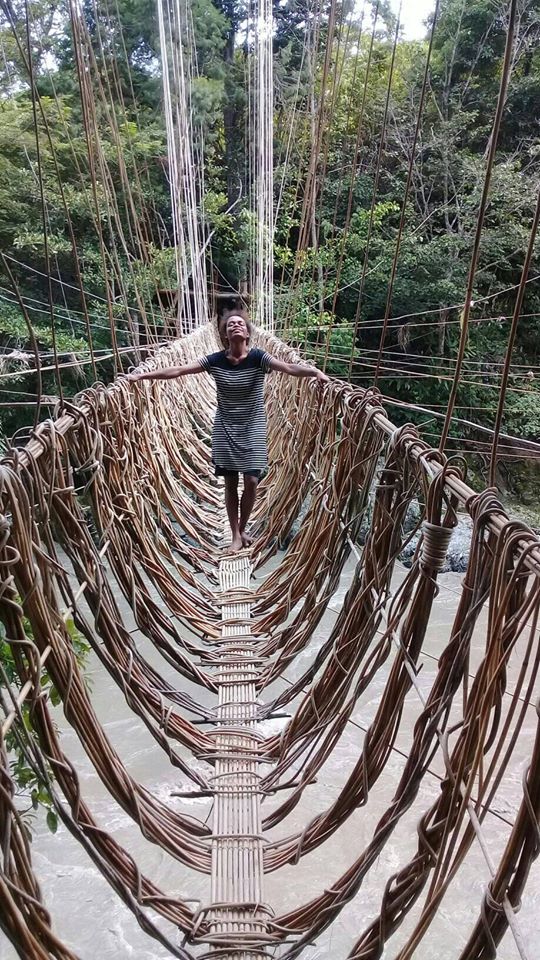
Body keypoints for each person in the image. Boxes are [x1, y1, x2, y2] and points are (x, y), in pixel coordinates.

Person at [128, 312, 329, 552]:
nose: (235, 326)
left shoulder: (258, 357)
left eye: (240, 324)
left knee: (252, 481)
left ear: (246, 333)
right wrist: (142, 375)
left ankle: (243, 527)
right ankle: (235, 534)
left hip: (253, 424)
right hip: (225, 425)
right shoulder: (215, 360)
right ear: (224, 334)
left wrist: (314, 372)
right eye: (230, 324)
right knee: (231, 482)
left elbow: (287, 367)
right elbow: (180, 371)